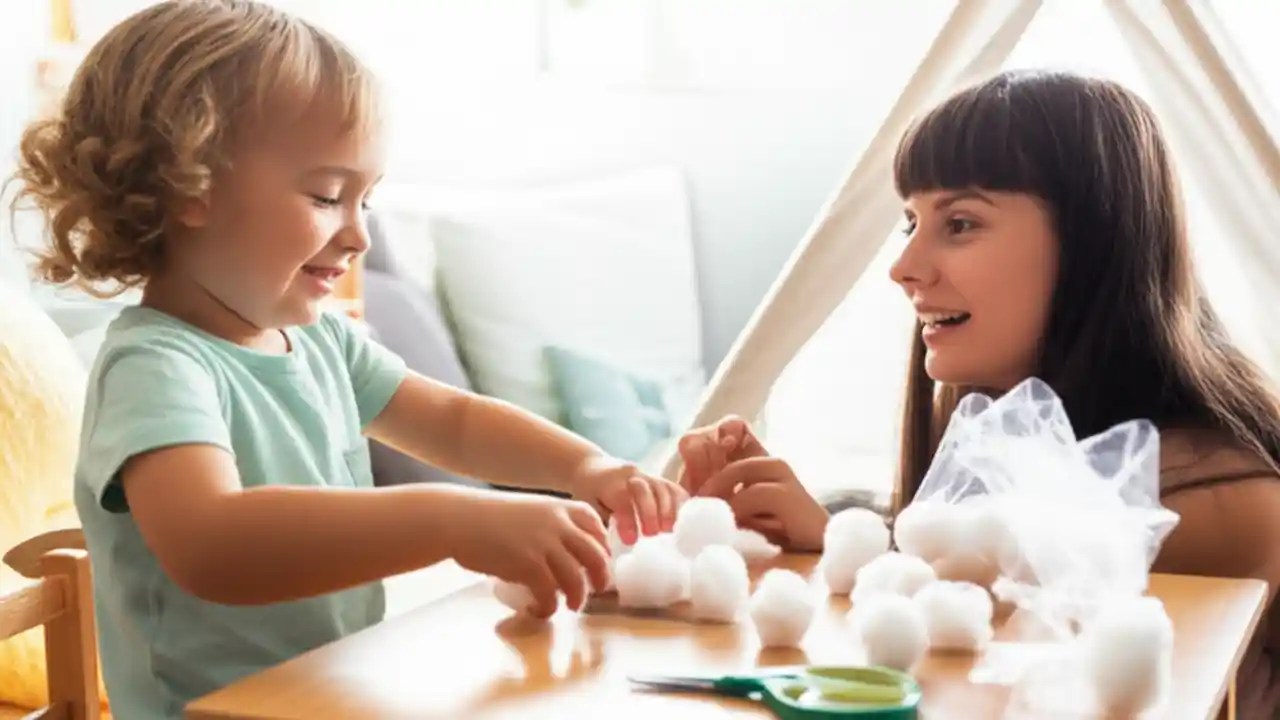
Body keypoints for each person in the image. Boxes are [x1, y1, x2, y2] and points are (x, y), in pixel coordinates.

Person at [8, 2, 685, 717]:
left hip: (329, 696)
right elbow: (212, 543)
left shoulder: (323, 342)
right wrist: (453, 522)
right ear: (190, 187)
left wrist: (585, 469)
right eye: (329, 195)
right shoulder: (156, 367)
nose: (359, 234)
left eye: (367, 199)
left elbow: (453, 422)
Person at [678, 70, 1280, 716]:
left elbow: (995, 682)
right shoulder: (1001, 428)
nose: (904, 266)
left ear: (1095, 243)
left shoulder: (1216, 503)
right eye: (910, 221)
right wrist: (838, 543)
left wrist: (872, 564)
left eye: (960, 223)